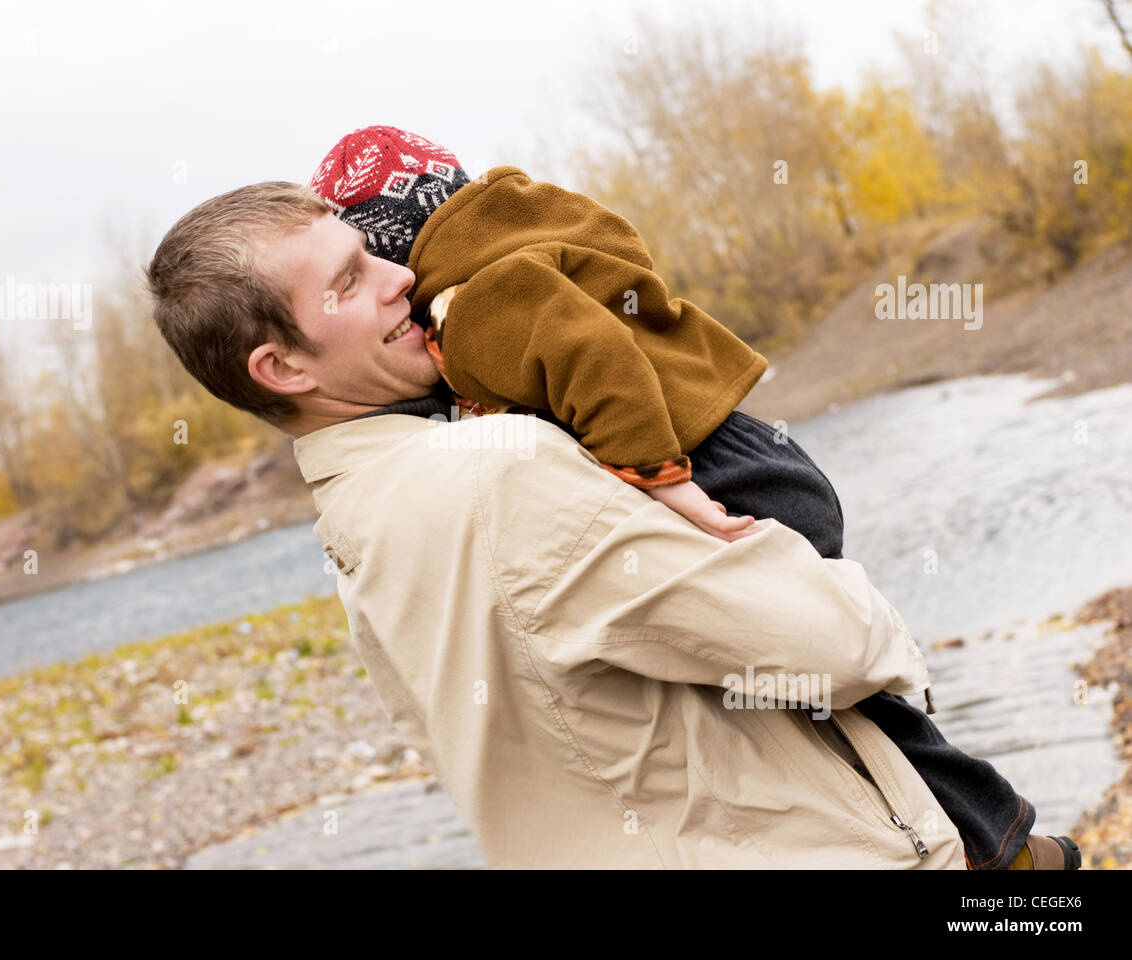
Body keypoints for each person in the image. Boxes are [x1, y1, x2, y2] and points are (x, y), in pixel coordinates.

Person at [143, 174, 1076, 869]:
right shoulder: (498, 470)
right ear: (283, 369)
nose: (400, 276)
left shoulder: (353, 527)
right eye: (347, 282)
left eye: (372, 252)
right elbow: (823, 644)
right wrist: (838, 585)